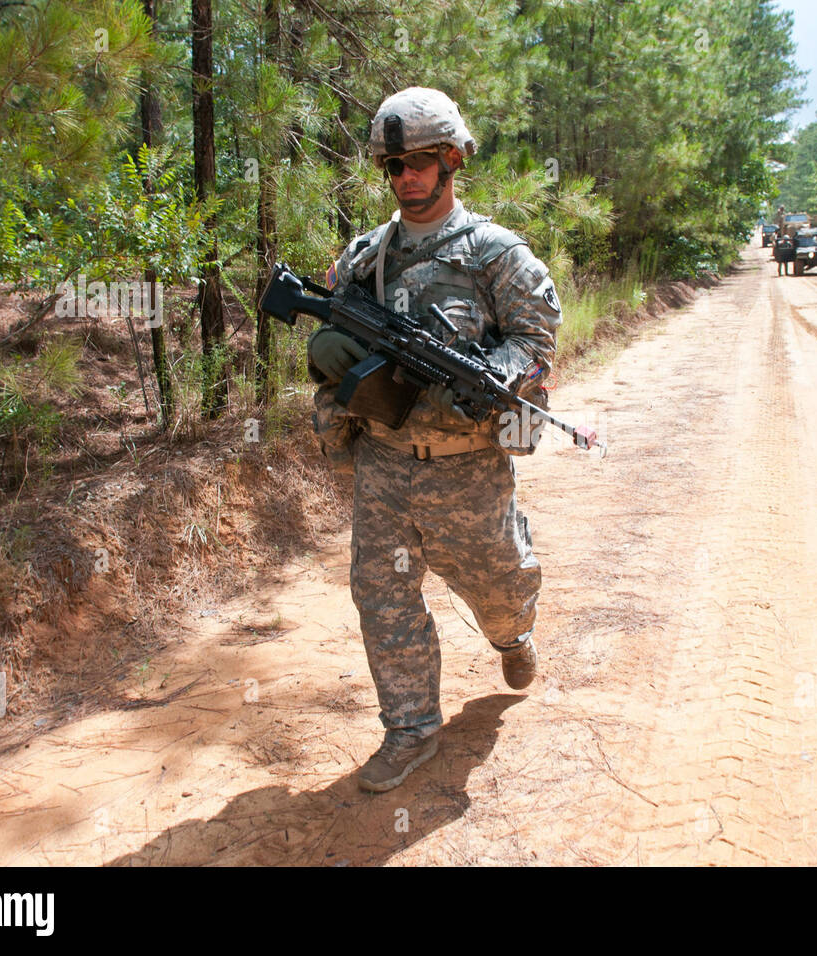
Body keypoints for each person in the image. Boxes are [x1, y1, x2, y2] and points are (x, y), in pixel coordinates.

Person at [306, 88, 562, 793]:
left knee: (500, 586)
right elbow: (327, 325)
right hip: (383, 464)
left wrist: (493, 377)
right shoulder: (365, 256)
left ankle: (512, 633)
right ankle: (411, 728)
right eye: (394, 166)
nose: (405, 178)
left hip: (467, 470)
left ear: (452, 159)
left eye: (419, 162)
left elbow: (537, 342)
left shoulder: (495, 255)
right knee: (381, 596)